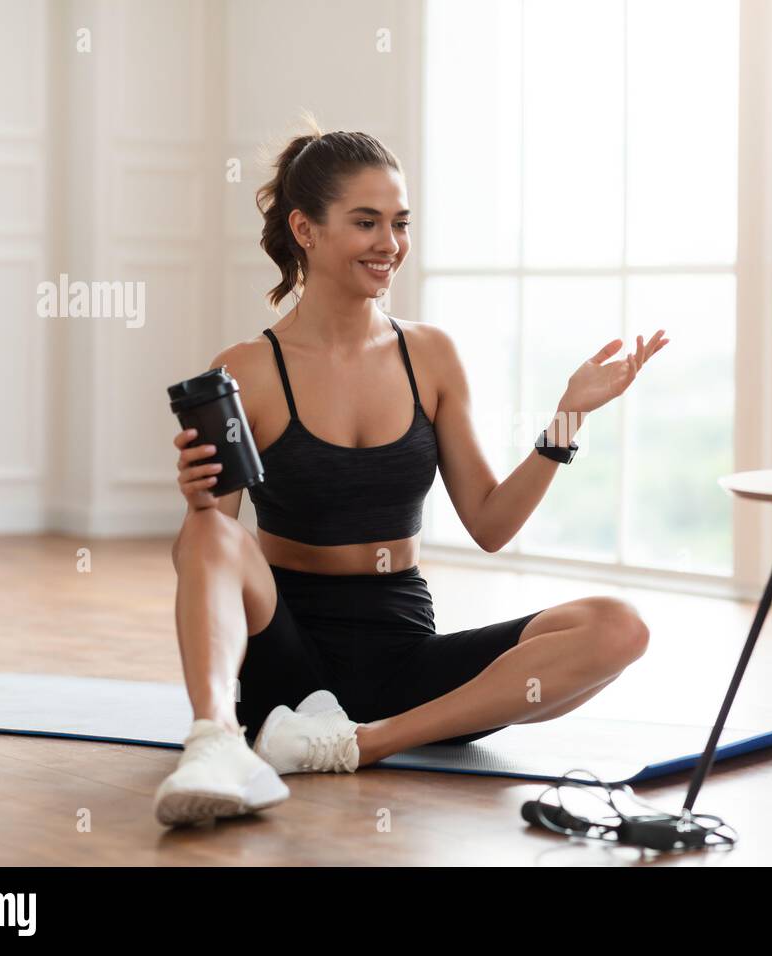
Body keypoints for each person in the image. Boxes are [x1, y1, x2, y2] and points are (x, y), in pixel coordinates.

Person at [154, 118, 669, 827]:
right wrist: (198, 502)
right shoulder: (247, 370)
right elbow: (204, 553)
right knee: (213, 531)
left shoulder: (430, 356)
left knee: (619, 627)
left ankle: (359, 745)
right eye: (366, 222)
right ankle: (214, 742)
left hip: (402, 660)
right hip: (286, 666)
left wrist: (567, 418)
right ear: (305, 230)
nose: (390, 244)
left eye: (399, 223)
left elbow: (490, 524)